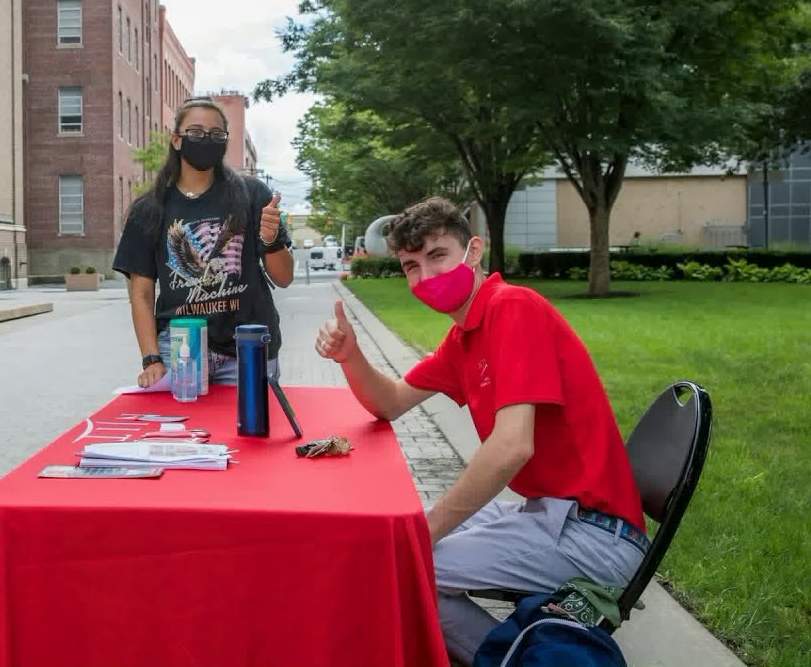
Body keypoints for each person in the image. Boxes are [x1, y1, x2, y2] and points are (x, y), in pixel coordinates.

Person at [314, 197, 646, 665]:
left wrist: (429, 534)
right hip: (550, 518)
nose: (426, 277)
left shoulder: (512, 306)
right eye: (411, 266)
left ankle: (512, 659)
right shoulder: (464, 337)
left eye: (437, 256)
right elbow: (390, 402)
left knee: (405, 566)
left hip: (594, 536)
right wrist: (350, 355)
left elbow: (512, 447)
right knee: (389, 536)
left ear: (472, 251)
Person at [113, 96, 294, 387]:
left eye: (216, 134)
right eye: (195, 132)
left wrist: (271, 240)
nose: (206, 139)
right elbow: (142, 293)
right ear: (176, 140)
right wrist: (152, 359)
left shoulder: (253, 195)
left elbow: (284, 277)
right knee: (184, 432)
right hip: (183, 348)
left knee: (251, 426)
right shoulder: (149, 209)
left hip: (248, 347)